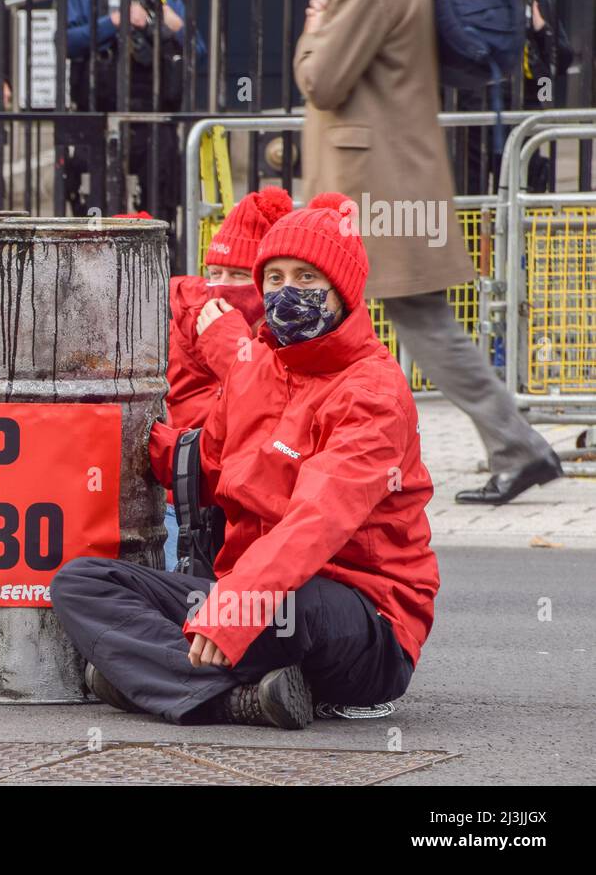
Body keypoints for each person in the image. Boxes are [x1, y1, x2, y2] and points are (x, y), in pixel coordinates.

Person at [52, 193, 439, 728]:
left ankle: (148, 677)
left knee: (292, 608)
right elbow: (201, 466)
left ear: (343, 291)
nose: (286, 293)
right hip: (244, 593)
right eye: (274, 278)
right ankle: (237, 696)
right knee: (81, 583)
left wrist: (234, 609)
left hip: (361, 616)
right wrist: (95, 441)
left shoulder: (374, 390)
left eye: (306, 278)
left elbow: (318, 520)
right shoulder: (254, 368)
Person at [295, 0, 562, 504]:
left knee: (369, 317)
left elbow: (323, 81)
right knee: (390, 319)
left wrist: (315, 27)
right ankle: (510, 446)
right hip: (387, 177)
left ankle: (513, 447)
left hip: (372, 186)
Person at [160, 186, 291, 568]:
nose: (220, 286)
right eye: (214, 272)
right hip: (185, 506)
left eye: (236, 275)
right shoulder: (187, 323)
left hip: (253, 510)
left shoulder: (288, 338)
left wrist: (231, 346)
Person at [65, 0, 202, 221]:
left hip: (153, 118)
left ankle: (162, 262)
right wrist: (114, 22)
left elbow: (199, 51)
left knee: (160, 206)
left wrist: (175, 28)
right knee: (98, 210)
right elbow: (65, 42)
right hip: (99, 116)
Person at [464, 0, 574, 193]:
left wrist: (540, 30)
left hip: (521, 113)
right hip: (473, 114)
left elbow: (561, 62)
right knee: (471, 198)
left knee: (519, 193)